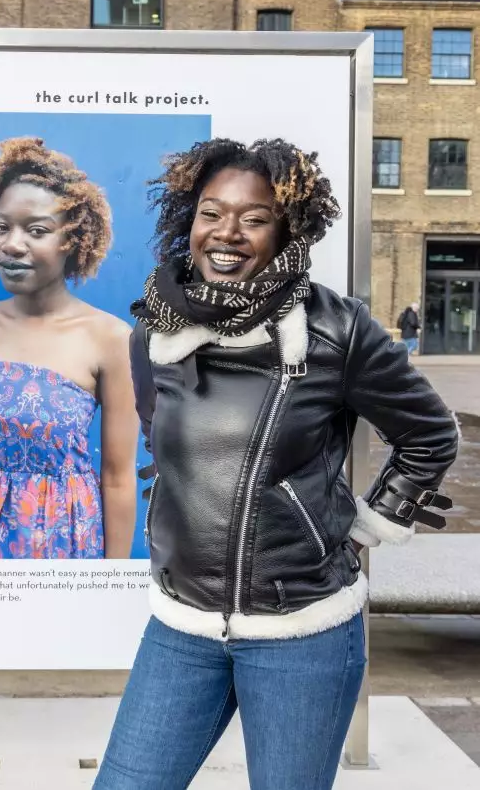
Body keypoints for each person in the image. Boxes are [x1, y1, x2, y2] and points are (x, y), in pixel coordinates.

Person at [94, 138, 459, 789]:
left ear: (287, 228)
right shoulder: (156, 330)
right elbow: (160, 439)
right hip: (184, 627)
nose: (226, 233)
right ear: (189, 219)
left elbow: (430, 433)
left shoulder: (337, 332)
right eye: (211, 212)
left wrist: (366, 523)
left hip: (303, 633)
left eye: (253, 217)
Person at [0, 137, 138, 560]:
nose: (12, 244)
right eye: (0, 227)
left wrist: (110, 583)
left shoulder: (110, 338)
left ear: (74, 241)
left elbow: (119, 476)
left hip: (64, 546)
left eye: (37, 230)